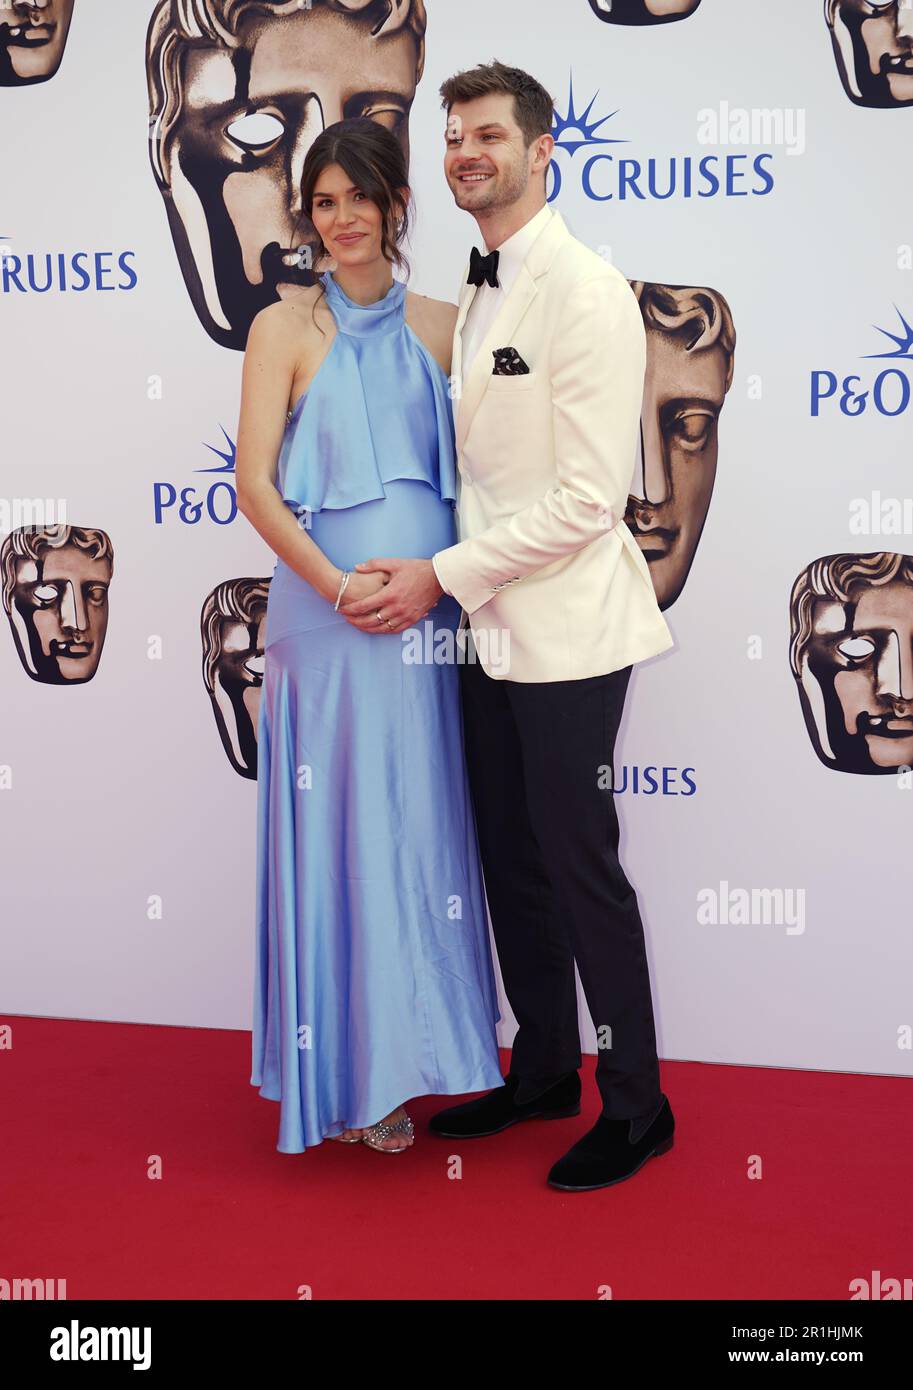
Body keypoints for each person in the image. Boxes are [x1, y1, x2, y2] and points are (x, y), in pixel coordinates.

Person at [345, 63, 676, 1191]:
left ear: (543, 152)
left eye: (487, 134)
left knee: (582, 869)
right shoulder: (480, 281)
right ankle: (543, 1069)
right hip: (490, 628)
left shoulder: (584, 290)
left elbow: (589, 501)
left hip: (568, 630)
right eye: (454, 138)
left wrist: (439, 573)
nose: (464, 153)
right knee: (511, 859)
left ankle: (637, 1104)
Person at [236, 117, 503, 1155]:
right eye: (324, 200)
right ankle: (344, 1078)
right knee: (342, 837)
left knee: (417, 837)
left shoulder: (447, 325)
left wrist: (429, 589)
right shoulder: (281, 329)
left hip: (426, 625)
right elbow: (258, 486)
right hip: (326, 622)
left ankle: (418, 1059)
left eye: (360, 197)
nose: (341, 218)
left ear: (399, 205)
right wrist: (341, 585)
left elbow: (485, 480)